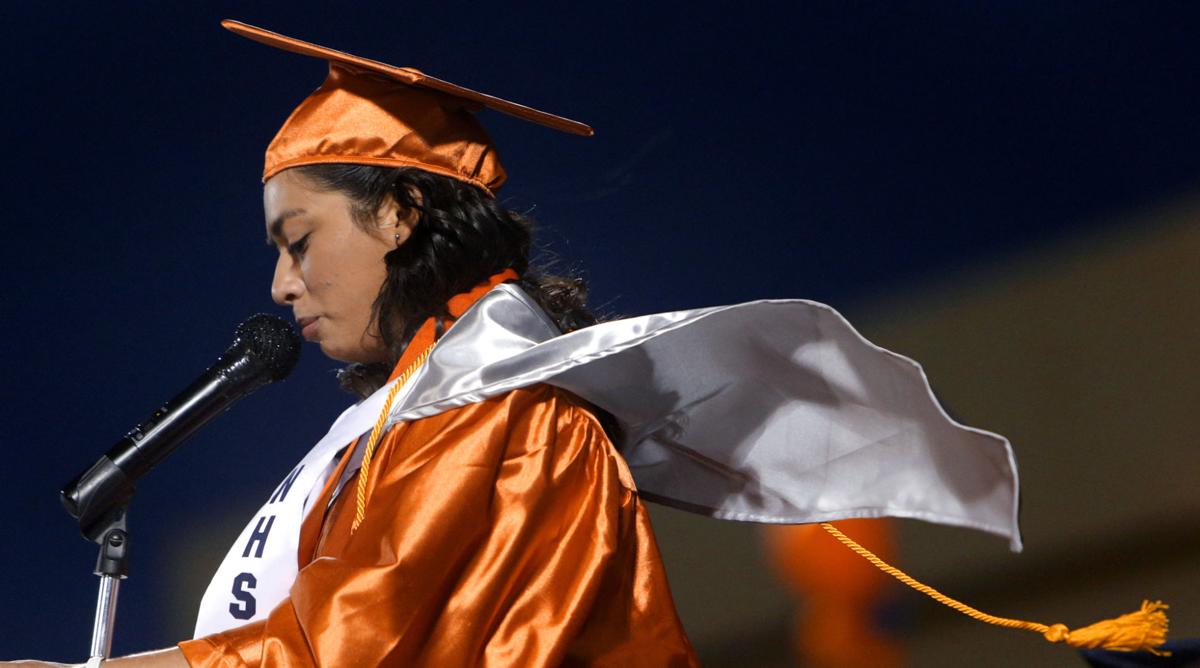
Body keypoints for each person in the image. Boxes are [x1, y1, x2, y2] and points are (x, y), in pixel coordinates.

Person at [17, 18, 1111, 668]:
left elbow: (345, 648)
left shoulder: (498, 418)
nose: (278, 280)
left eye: (300, 239)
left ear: (399, 215)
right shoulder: (418, 419)